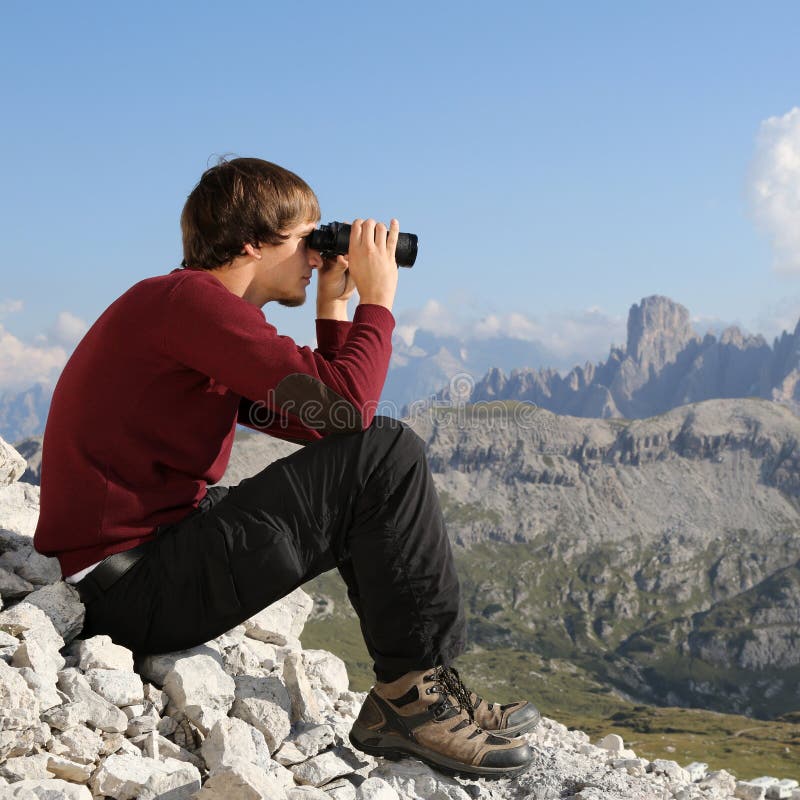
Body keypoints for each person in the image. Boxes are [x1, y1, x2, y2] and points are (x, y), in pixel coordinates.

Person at [33, 157, 538, 778]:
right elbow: (352, 418)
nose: (316, 255)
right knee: (389, 451)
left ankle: (419, 687)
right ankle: (412, 700)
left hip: (135, 574)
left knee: (372, 455)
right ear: (251, 242)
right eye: (309, 239)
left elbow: (322, 424)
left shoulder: (192, 314)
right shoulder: (190, 304)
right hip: (128, 589)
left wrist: (333, 308)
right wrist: (378, 302)